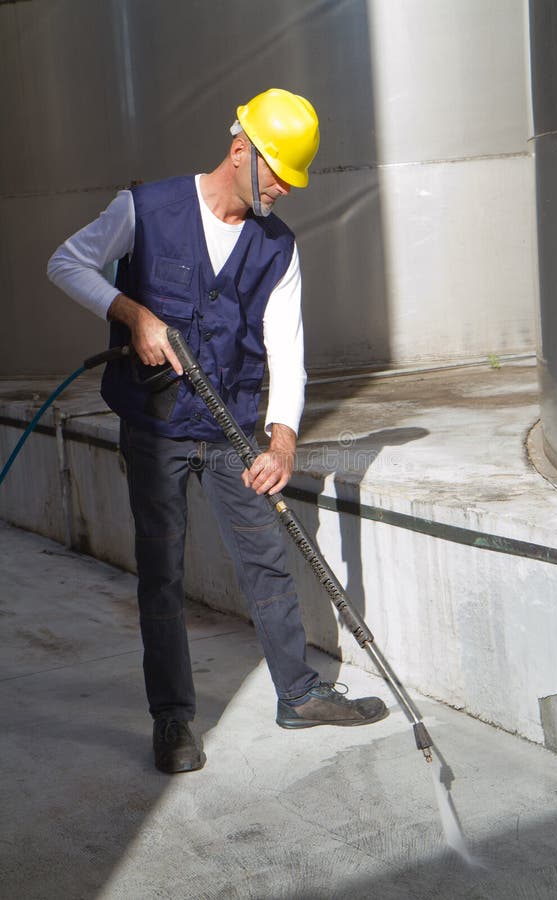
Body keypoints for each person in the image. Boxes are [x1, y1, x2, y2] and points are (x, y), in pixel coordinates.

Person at [47, 88, 387, 775]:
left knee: (265, 558)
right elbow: (65, 263)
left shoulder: (278, 248)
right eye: (279, 173)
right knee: (162, 574)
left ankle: (299, 692)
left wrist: (283, 438)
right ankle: (172, 718)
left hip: (233, 429)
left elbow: (287, 351)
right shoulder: (145, 209)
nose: (287, 188)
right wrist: (131, 311)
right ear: (241, 151)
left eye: (295, 177)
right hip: (157, 427)